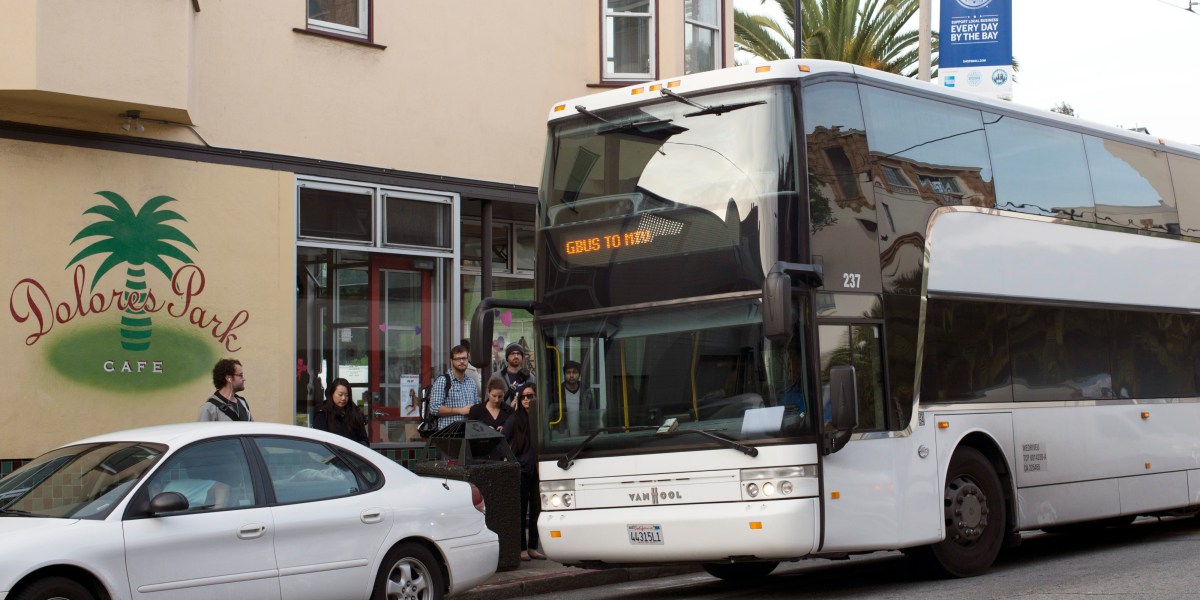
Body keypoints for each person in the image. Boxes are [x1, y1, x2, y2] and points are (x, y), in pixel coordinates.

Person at [505, 382, 545, 561]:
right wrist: (512, 460)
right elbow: (502, 440)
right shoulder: (514, 419)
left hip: (539, 469)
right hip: (521, 469)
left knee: (537, 508)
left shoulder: (541, 417)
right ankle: (521, 547)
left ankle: (533, 547)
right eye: (523, 397)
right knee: (521, 509)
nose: (527, 400)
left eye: (530, 396)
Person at [428, 344, 481, 430]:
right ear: (451, 361)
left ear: (468, 359)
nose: (461, 361)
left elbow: (476, 408)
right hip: (448, 433)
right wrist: (460, 410)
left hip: (468, 432)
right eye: (458, 359)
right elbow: (434, 408)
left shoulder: (471, 383)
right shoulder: (442, 381)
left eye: (464, 358)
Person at [313, 378, 370, 445]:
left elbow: (364, 439)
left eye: (347, 395)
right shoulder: (322, 414)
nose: (343, 398)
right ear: (332, 394)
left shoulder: (354, 412)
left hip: (353, 451)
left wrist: (356, 446)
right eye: (340, 395)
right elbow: (321, 443)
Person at [554, 360, 596, 434]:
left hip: (583, 435)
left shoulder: (586, 391)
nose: (571, 375)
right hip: (563, 436)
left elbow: (592, 414)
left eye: (574, 372)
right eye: (568, 372)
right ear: (564, 374)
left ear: (579, 374)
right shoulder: (558, 392)